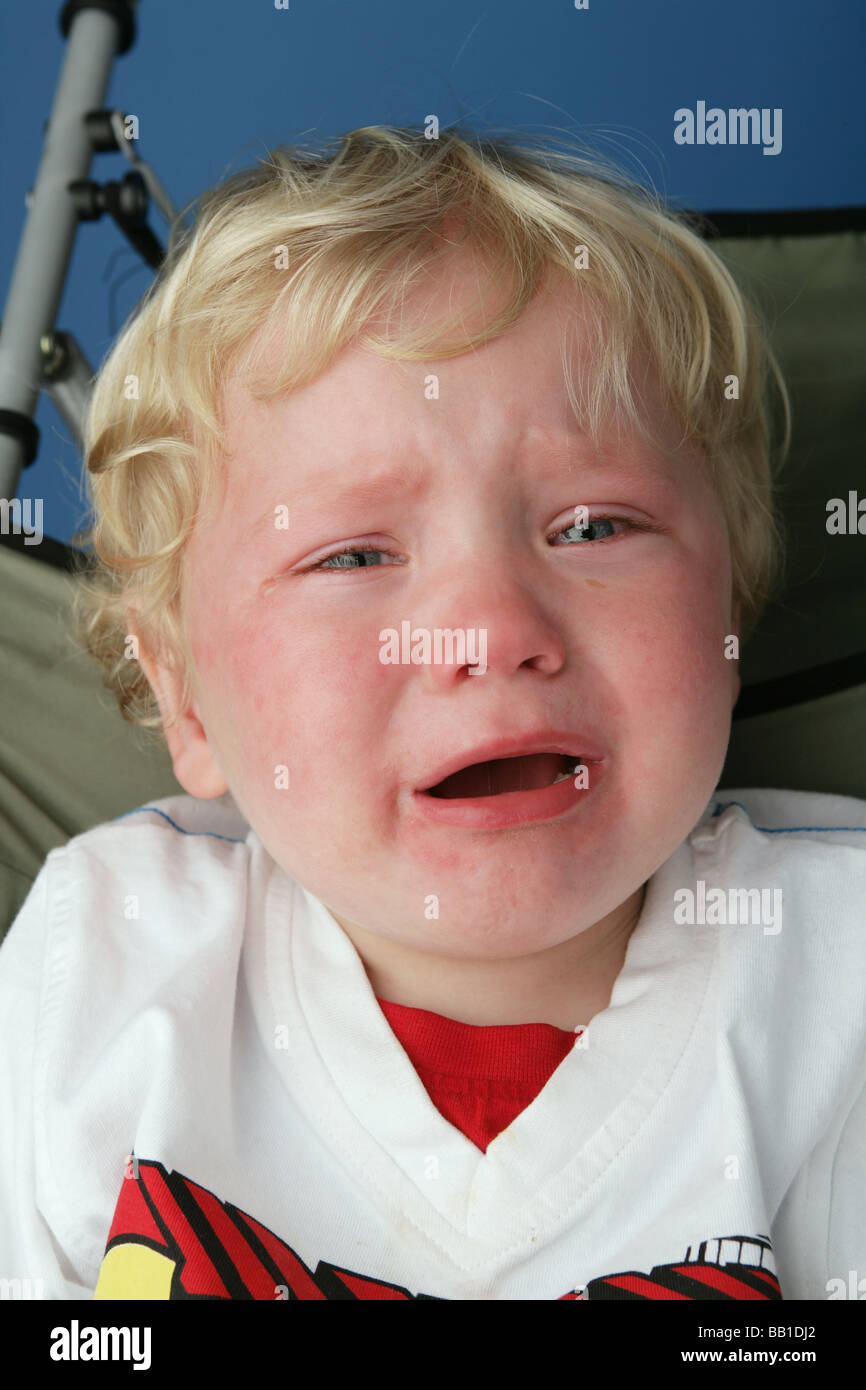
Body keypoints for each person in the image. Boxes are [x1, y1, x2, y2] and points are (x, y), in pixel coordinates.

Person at [0, 126, 863, 1301]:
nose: (485, 628)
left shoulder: (829, 988)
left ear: (727, 614)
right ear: (185, 700)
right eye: (353, 554)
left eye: (592, 526)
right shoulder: (100, 973)